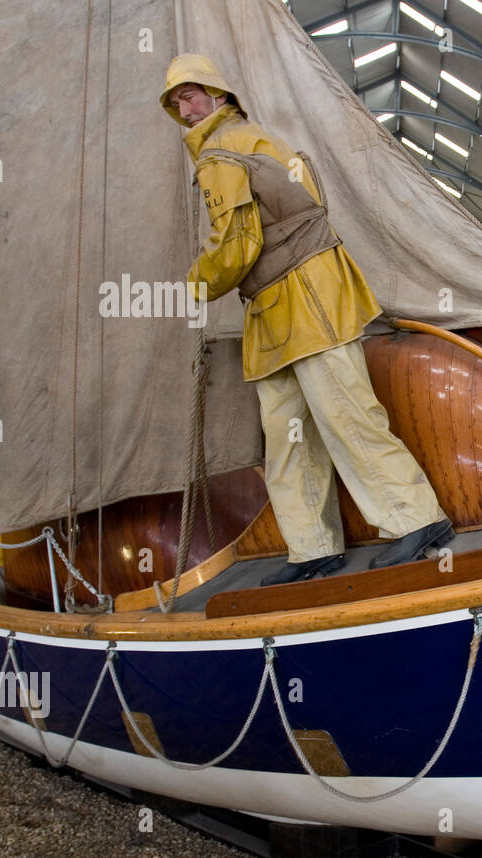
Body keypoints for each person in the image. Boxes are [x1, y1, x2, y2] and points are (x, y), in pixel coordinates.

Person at [160, 54, 453, 586]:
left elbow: (237, 244)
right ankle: (312, 546)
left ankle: (416, 520)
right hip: (277, 303)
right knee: (287, 434)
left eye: (191, 94)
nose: (184, 108)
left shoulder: (223, 154)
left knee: (343, 412)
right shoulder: (249, 140)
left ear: (219, 95)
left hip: (303, 295)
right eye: (176, 101)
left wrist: (191, 287)